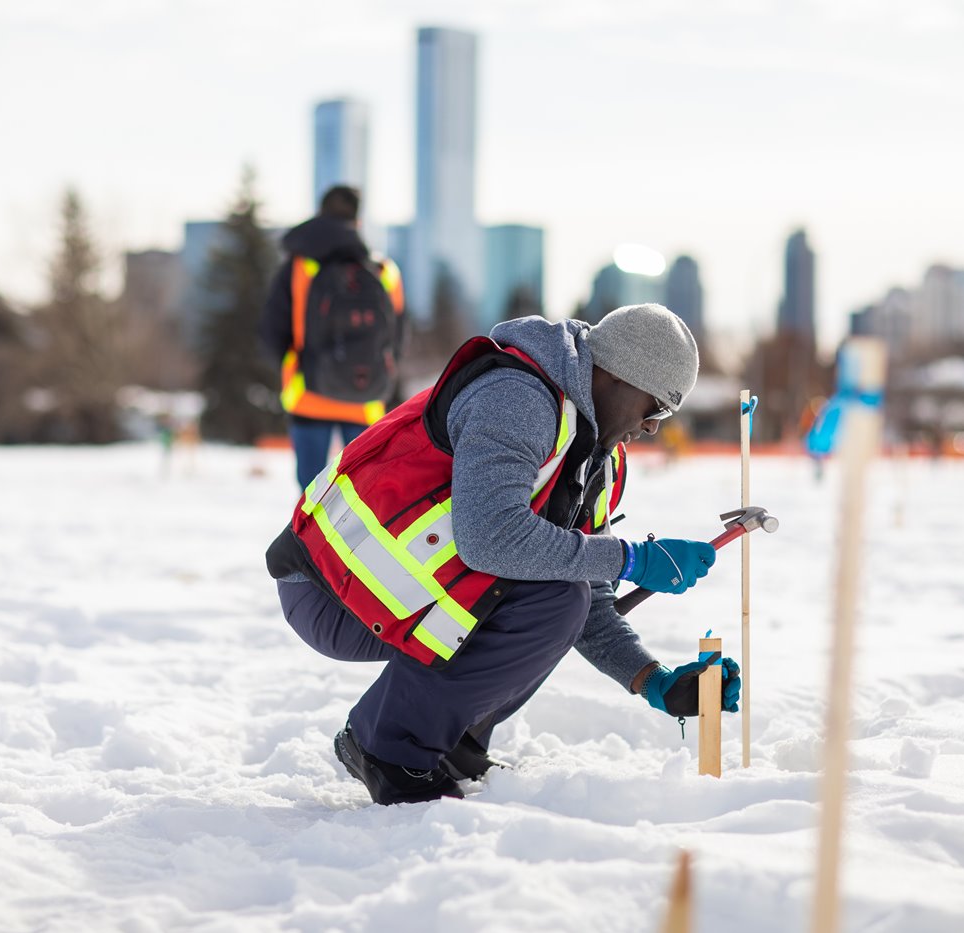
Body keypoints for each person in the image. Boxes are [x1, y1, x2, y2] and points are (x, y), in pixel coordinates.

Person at [264, 303, 742, 805]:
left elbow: (584, 600)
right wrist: (629, 559)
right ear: (619, 377)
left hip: (392, 593)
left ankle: (449, 744)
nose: (652, 428)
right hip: (329, 590)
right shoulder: (518, 398)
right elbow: (492, 539)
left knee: (560, 593)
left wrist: (655, 682)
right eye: (655, 407)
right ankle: (390, 747)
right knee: (549, 595)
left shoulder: (594, 455)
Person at [261, 185, 406, 489]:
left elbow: (273, 329)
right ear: (358, 222)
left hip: (307, 395)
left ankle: (308, 539)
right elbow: (398, 336)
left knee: (311, 496)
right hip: (365, 397)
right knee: (362, 494)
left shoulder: (300, 267)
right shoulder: (383, 271)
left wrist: (292, 364)